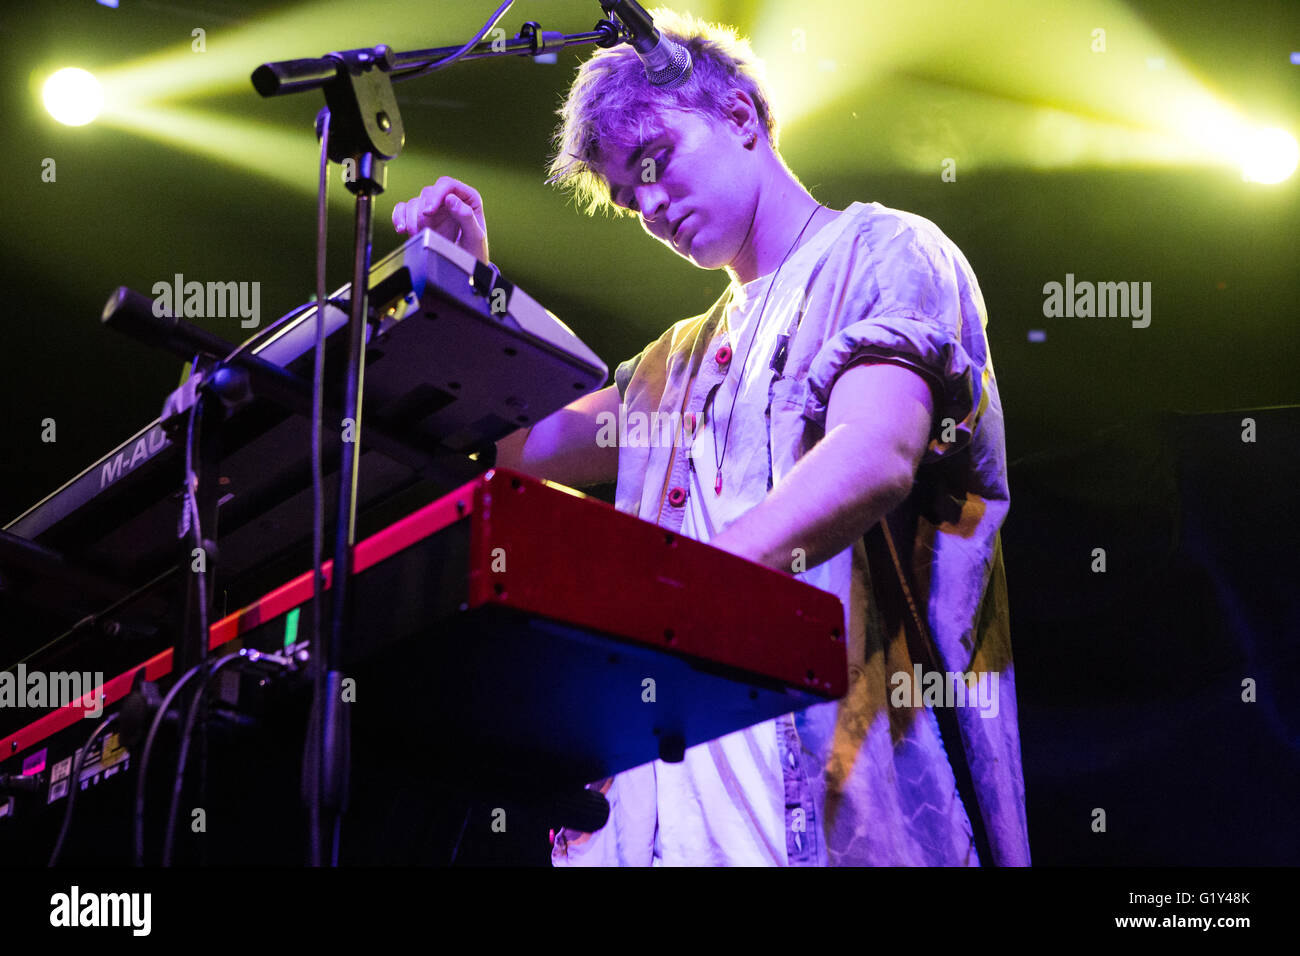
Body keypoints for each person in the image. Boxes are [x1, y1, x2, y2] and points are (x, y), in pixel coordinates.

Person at [392, 8, 1029, 867]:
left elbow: (875, 454)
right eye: (626, 196)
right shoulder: (672, 363)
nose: (648, 205)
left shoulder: (885, 249)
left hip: (838, 822)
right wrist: (469, 292)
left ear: (739, 116)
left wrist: (675, 600)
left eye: (653, 162)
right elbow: (509, 447)